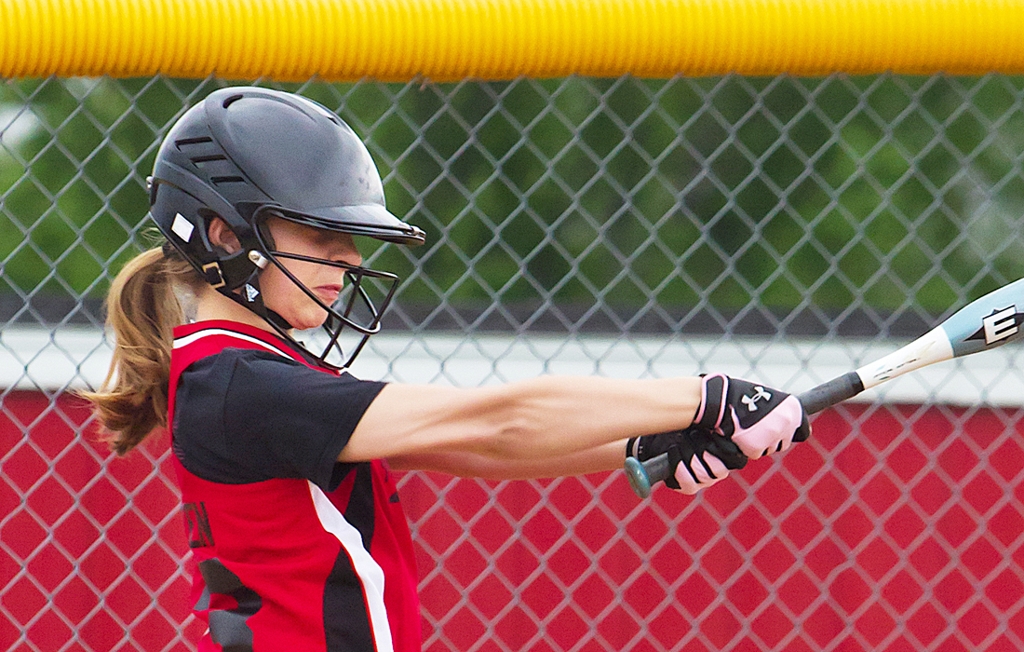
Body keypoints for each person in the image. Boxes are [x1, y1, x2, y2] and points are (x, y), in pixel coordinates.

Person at [83, 87, 809, 652]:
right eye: (323, 234)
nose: (352, 260)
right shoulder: (242, 384)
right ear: (223, 232)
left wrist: (645, 439)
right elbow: (495, 419)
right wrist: (702, 395)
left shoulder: (247, 374)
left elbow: (468, 445)